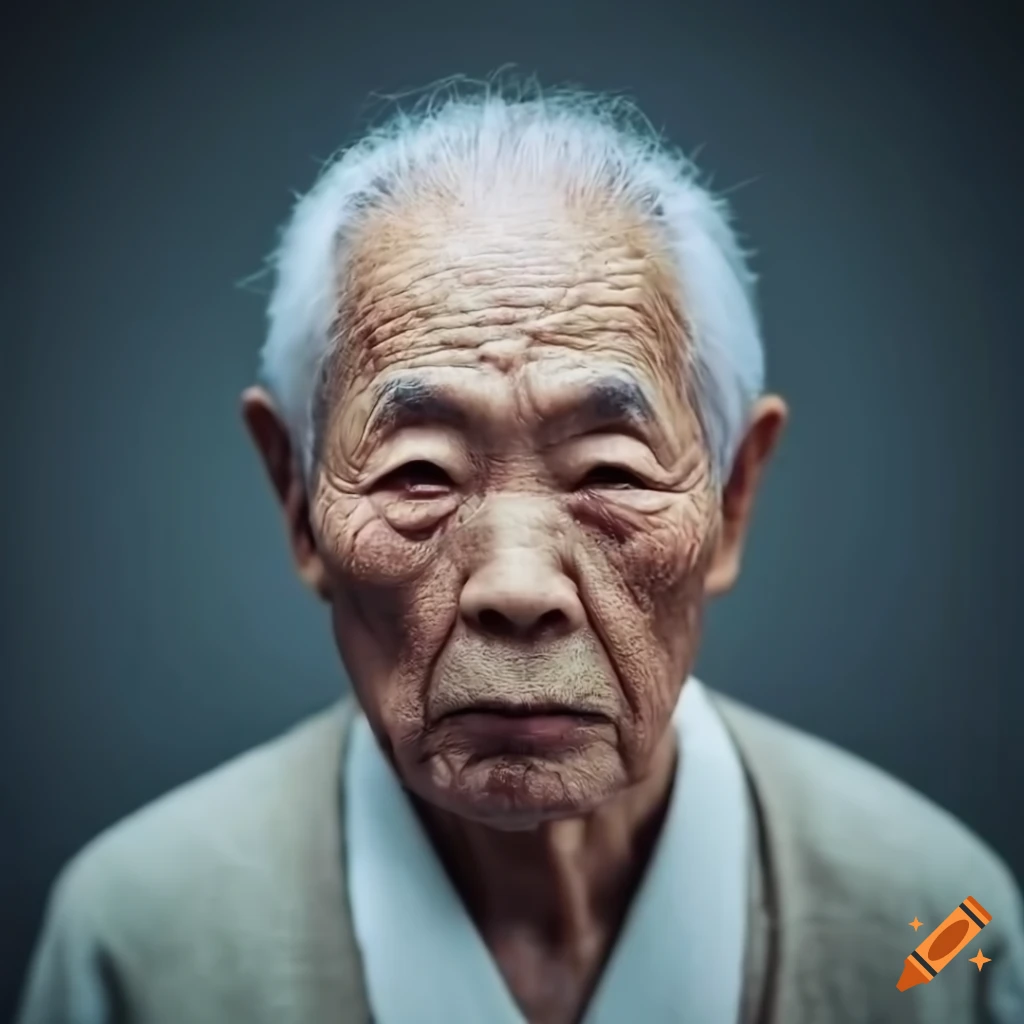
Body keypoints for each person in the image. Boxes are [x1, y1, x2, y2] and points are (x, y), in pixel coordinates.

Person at [17, 82, 1024, 1024]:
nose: (515, 584)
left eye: (611, 473)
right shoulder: (138, 943)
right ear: (296, 498)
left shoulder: (937, 924)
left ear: (731, 496)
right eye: (419, 473)